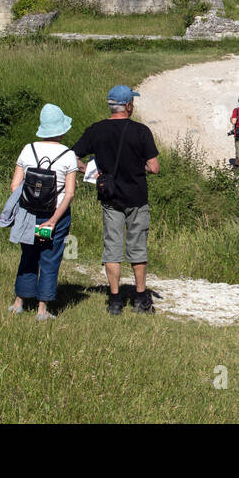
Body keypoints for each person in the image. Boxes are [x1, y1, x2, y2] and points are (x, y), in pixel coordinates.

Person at [72, 86, 160, 316]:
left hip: (110, 197)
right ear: (128, 106)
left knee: (112, 246)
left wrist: (89, 172)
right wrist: (138, 166)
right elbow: (154, 167)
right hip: (137, 197)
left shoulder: (96, 130)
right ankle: (141, 298)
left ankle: (114, 300)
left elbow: (73, 157)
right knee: (137, 245)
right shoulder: (141, 131)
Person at [4, 104, 79, 321]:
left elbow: (14, 186)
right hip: (55, 216)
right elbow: (70, 193)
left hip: (28, 214)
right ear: (61, 130)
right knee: (50, 258)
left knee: (28, 255)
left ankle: (19, 303)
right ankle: (42, 309)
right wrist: (54, 220)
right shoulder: (68, 155)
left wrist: (26, 210)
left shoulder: (28, 149)